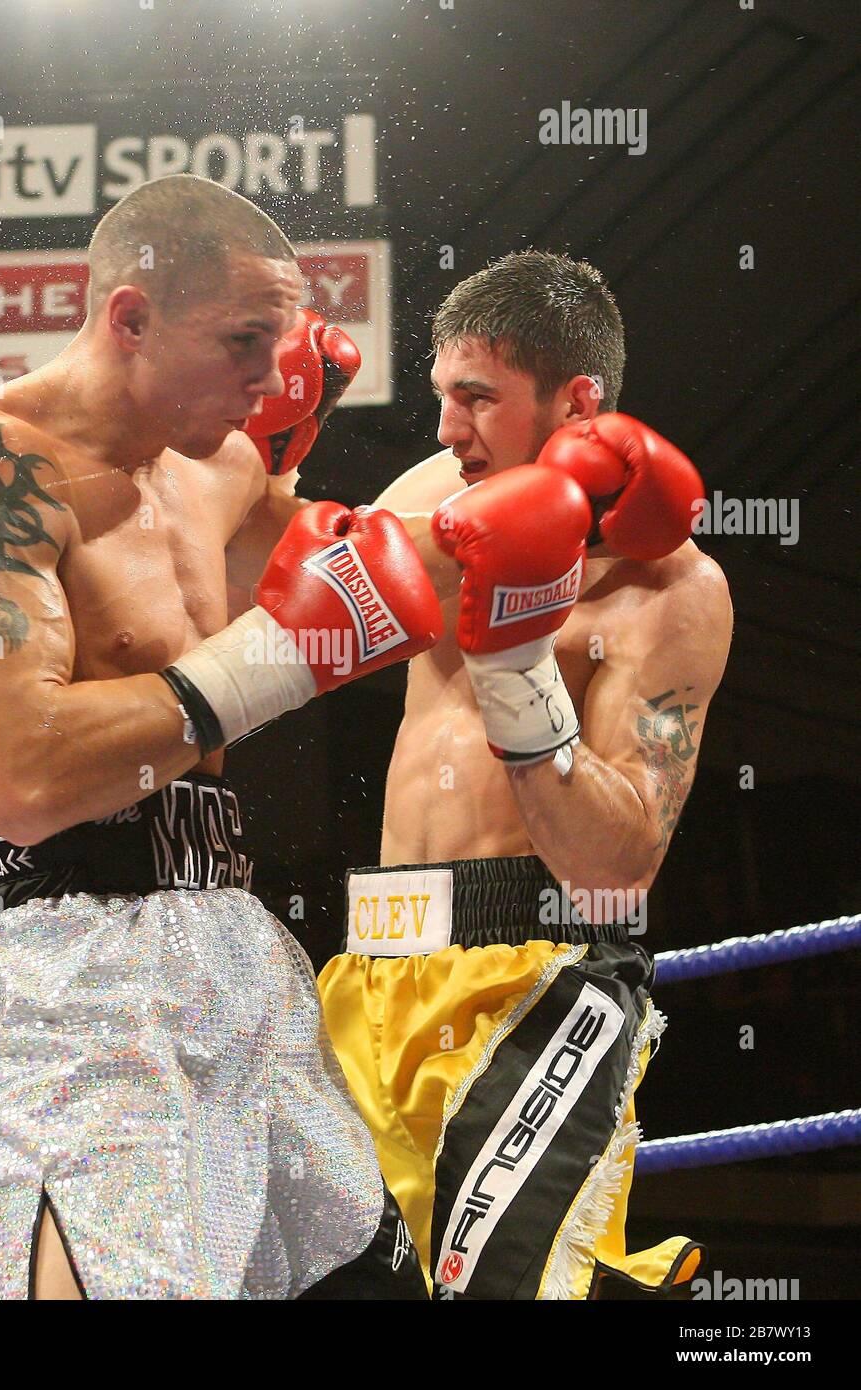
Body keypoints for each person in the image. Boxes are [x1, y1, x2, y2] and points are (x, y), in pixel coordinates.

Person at [0, 173, 440, 1299]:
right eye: (243, 339)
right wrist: (271, 663)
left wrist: (566, 491)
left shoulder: (223, 464)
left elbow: (405, 568)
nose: (266, 374)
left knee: (367, 1283)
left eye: (278, 344)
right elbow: (23, 776)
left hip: (231, 931)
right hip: (74, 956)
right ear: (128, 318)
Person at [317, 250, 734, 1299]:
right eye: (441, 396)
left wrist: (515, 655)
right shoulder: (431, 496)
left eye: (477, 398)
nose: (447, 428)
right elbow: (287, 622)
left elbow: (617, 862)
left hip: (538, 972)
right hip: (370, 971)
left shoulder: (669, 591)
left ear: (575, 400)